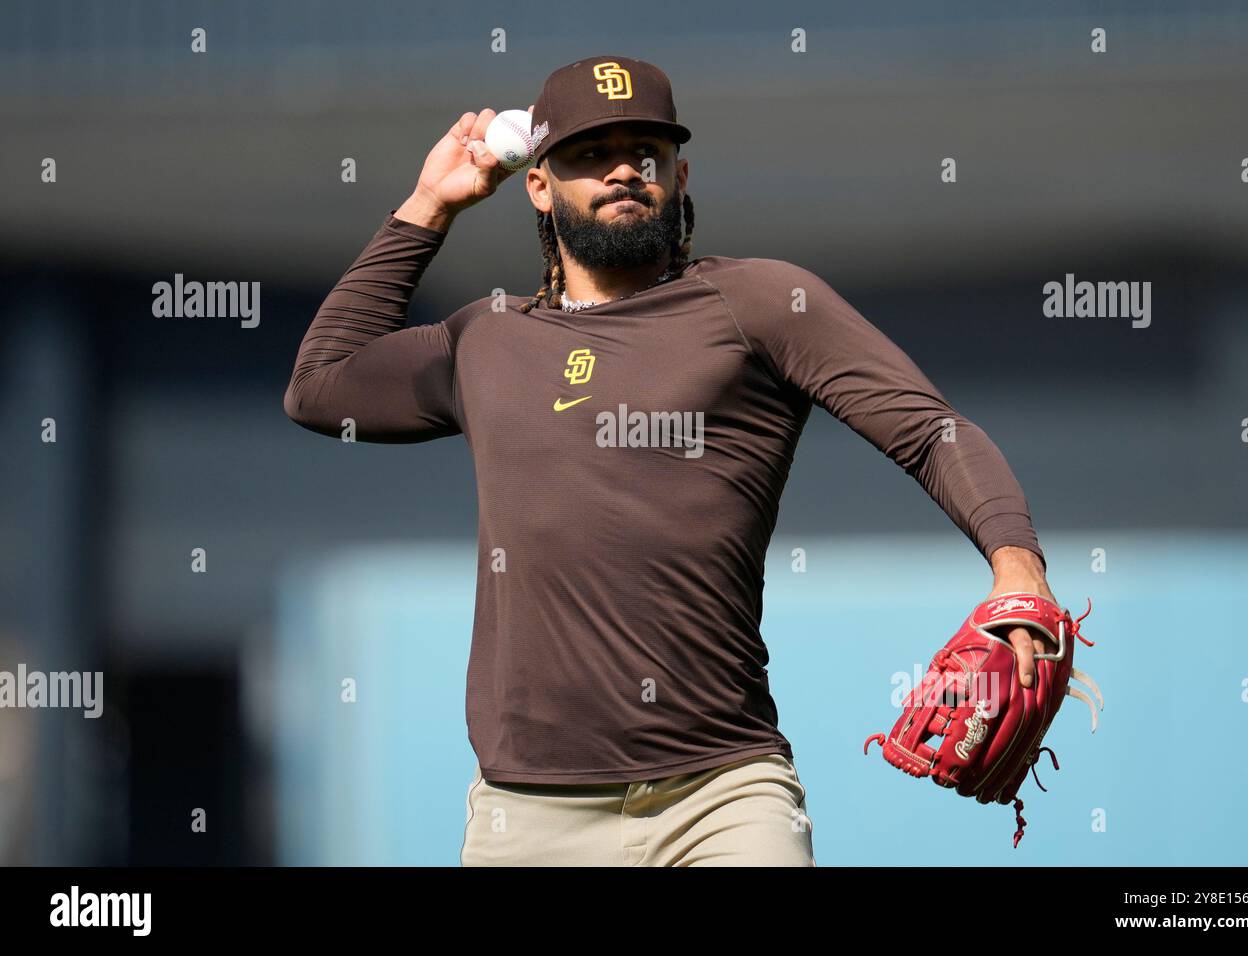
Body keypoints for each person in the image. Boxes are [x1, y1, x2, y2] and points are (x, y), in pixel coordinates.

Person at [283, 55, 1057, 866]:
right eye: (590, 152)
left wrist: (1017, 570)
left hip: (722, 799)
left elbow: (931, 431)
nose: (623, 168)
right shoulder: (488, 338)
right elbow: (319, 389)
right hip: (527, 815)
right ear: (537, 185)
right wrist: (428, 206)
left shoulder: (761, 303)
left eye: (645, 151)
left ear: (679, 174)